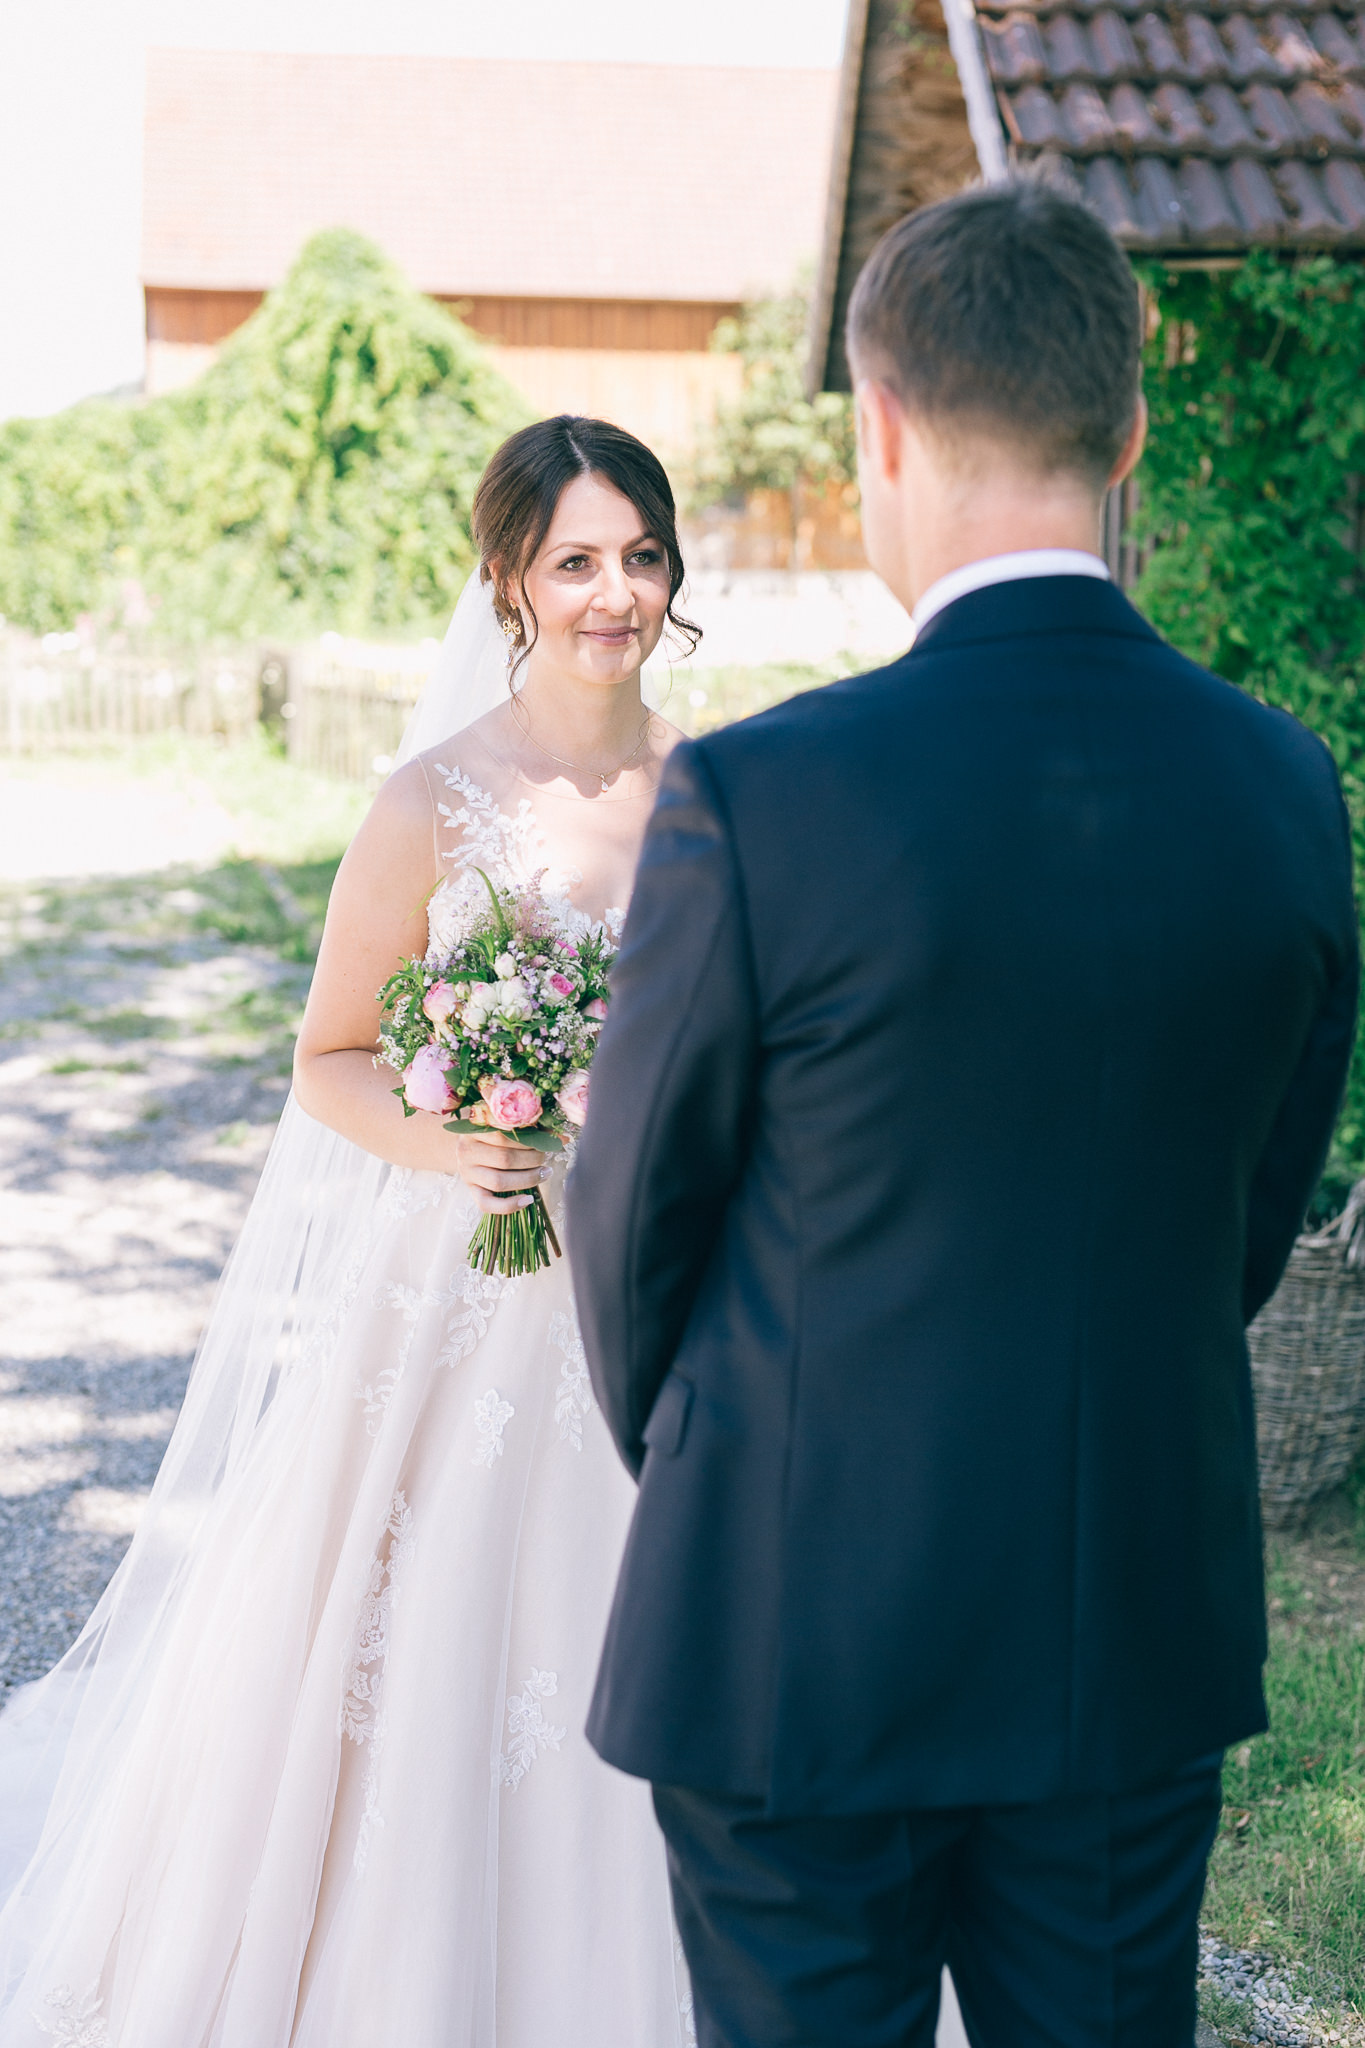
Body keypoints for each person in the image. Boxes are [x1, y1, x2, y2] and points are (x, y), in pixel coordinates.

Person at [567, 182, 1360, 2048]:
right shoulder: (1279, 787)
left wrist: (737, 1460)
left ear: (885, 429)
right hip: (1124, 1616)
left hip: (791, 1631)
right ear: (1131, 430)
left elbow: (632, 1226)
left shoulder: (762, 797)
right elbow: (1257, 1204)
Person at [0, 417, 696, 2047]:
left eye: (643, 555)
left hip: (660, 1285)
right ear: (509, 578)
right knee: (424, 1646)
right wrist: (469, 1140)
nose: (616, 593)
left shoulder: (719, 789)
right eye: (576, 560)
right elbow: (328, 1058)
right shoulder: (432, 802)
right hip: (468, 1295)